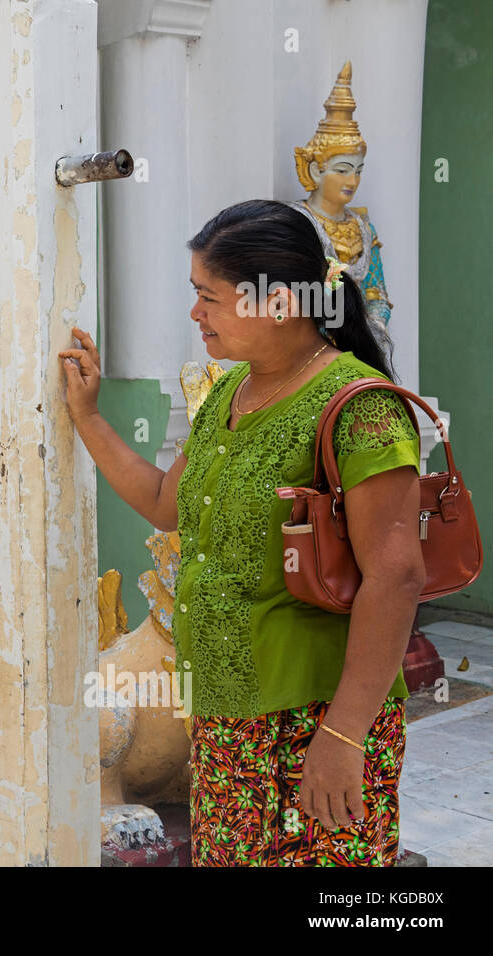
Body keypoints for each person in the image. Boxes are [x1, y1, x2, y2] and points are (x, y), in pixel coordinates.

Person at [59, 199, 425, 866]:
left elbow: (397, 578)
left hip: (314, 721)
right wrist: (88, 417)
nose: (196, 313)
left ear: (278, 303)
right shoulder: (231, 396)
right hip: (227, 721)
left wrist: (344, 739)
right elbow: (167, 503)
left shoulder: (362, 407)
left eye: (210, 297)